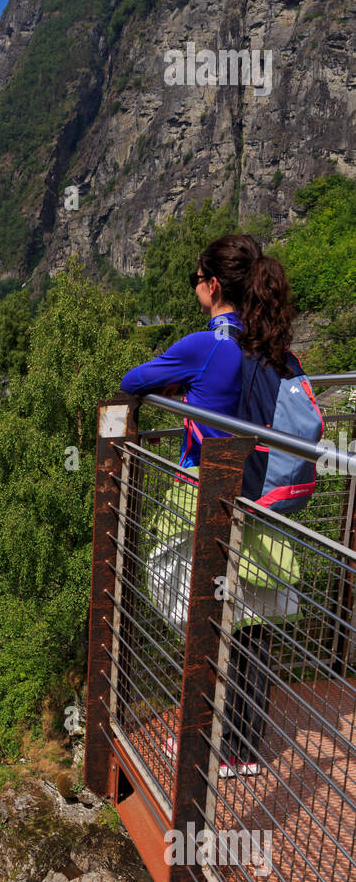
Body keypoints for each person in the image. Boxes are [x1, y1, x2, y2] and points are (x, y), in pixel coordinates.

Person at [120, 233, 300, 780]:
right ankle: (243, 749)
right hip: (264, 496)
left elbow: (132, 381)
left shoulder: (206, 345)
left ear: (213, 284)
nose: (194, 288)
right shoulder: (275, 346)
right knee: (250, 622)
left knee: (203, 612)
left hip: (207, 494)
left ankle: (204, 741)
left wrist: (181, 394)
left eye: (195, 280)